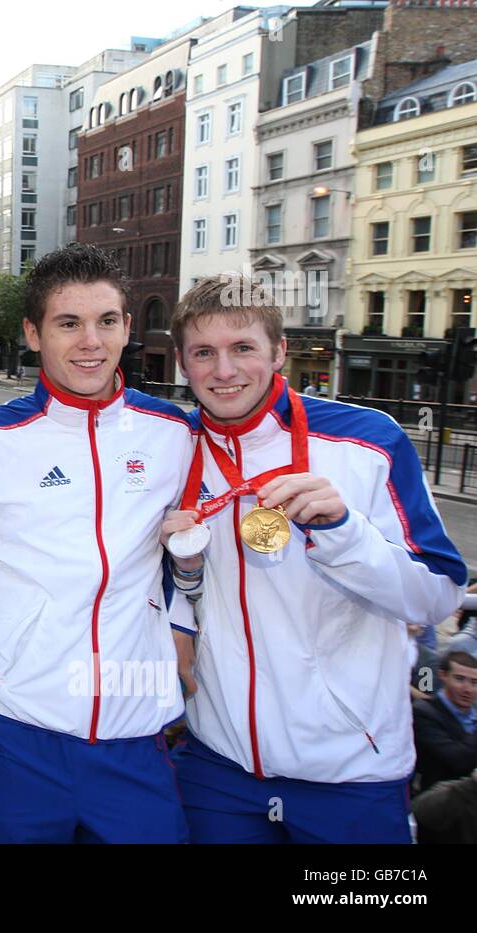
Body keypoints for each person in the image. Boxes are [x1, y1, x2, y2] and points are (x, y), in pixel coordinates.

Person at [168, 274, 466, 844]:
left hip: (350, 772)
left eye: (243, 349)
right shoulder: (170, 447)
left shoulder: (368, 441)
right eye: (204, 353)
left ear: (279, 351)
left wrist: (344, 534)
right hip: (218, 766)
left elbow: (439, 594)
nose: (224, 371)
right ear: (183, 362)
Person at [0, 243, 196, 843]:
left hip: (134, 731)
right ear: (34, 333)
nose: (91, 341)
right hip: (17, 731)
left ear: (125, 327)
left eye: (107, 322)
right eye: (69, 323)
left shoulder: (176, 433)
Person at [413, 649, 477, 791]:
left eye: (474, 682)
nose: (468, 689)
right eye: (459, 679)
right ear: (443, 675)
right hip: (439, 801)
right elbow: (458, 761)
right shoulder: (424, 713)